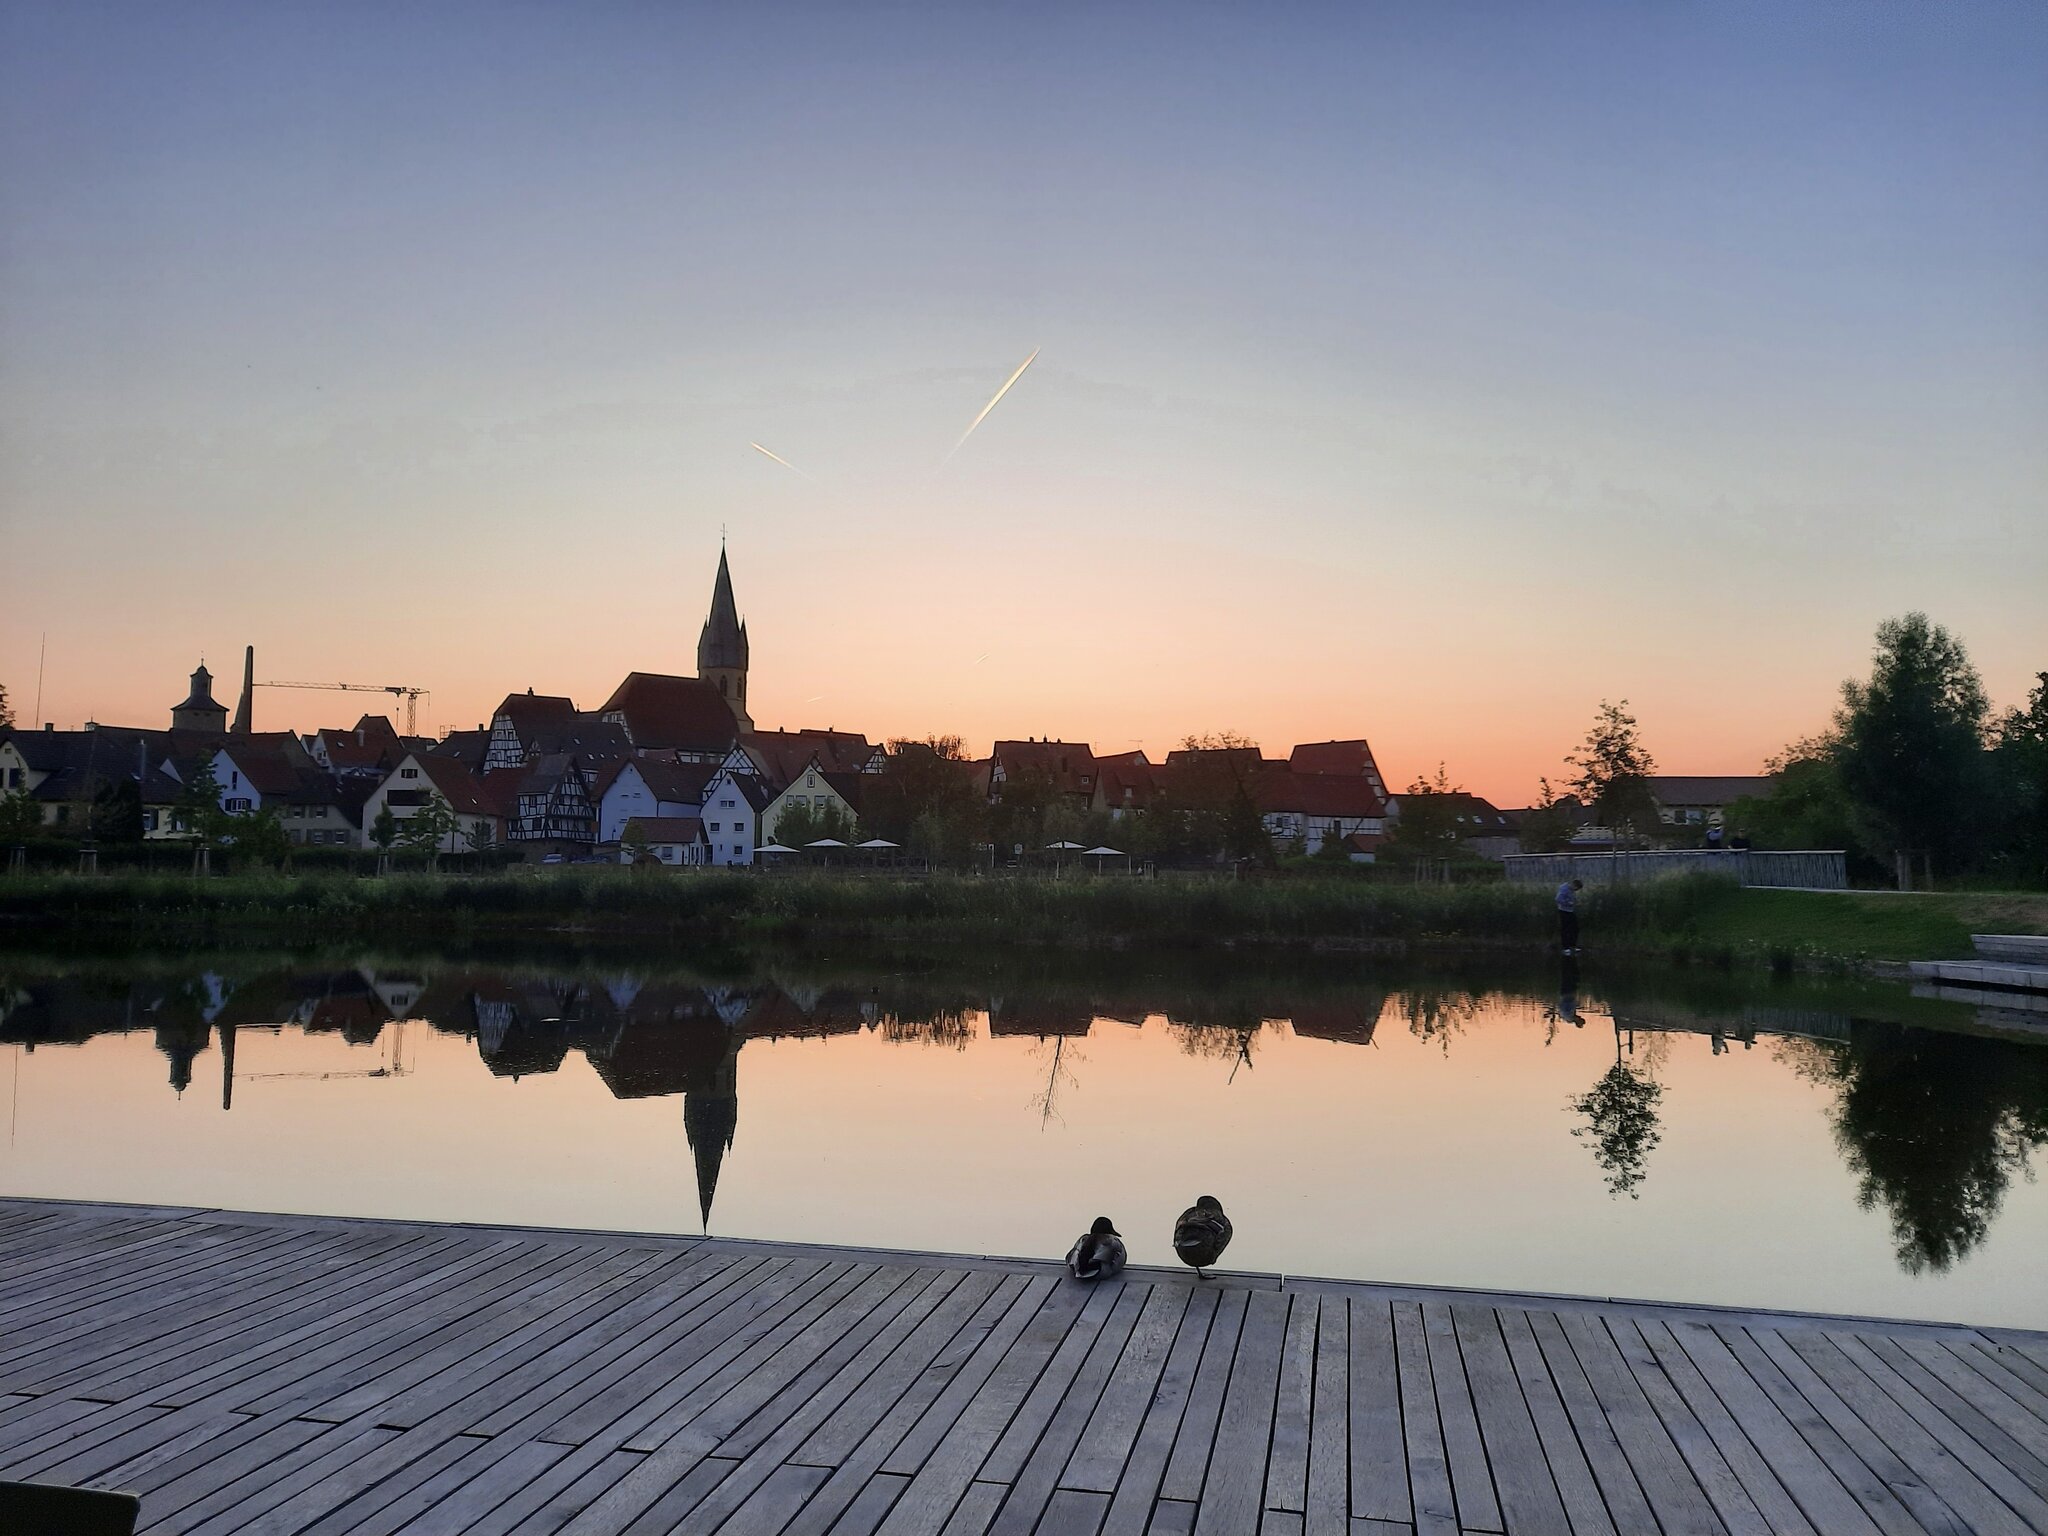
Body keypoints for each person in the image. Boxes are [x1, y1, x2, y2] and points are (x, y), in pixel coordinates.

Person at [1556, 877, 1583, 955]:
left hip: (1570, 911)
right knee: (1565, 929)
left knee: (1575, 928)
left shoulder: (1571, 890)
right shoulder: (1564, 889)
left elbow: (1571, 899)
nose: (1576, 891)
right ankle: (1565, 948)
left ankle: (1573, 946)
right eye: (1576, 889)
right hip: (1563, 911)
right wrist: (1570, 903)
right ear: (1574, 885)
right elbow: (1558, 899)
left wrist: (1576, 903)